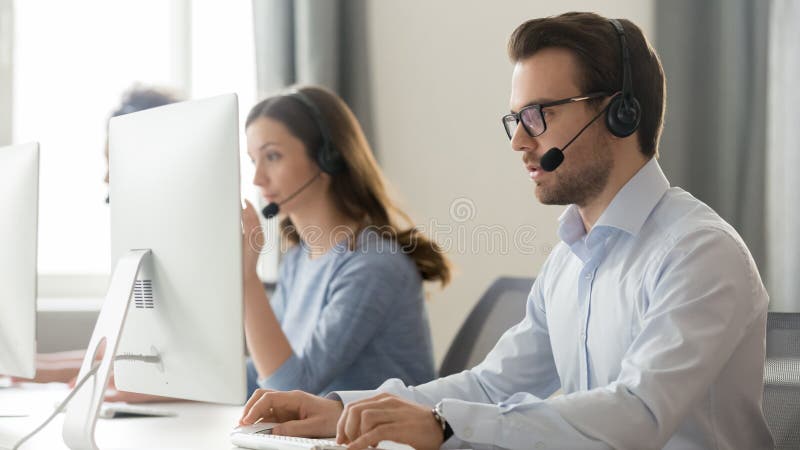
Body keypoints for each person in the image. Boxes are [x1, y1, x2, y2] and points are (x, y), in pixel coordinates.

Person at [237, 12, 774, 450]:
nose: (519, 141)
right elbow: (493, 383)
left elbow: (638, 413)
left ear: (620, 115)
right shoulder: (570, 259)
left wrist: (448, 426)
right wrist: (343, 409)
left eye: (538, 115)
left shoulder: (700, 252)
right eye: (515, 119)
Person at [241, 85, 449, 397]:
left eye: (272, 156)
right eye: (253, 160)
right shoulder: (300, 259)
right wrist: (159, 390)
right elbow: (262, 371)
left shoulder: (372, 266)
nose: (257, 178)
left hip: (380, 444)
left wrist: (246, 279)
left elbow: (292, 389)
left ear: (328, 158)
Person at [11, 85, 181, 403]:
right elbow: (128, 350)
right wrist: (36, 369)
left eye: (114, 162)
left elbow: (188, 364)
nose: (107, 178)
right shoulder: (146, 240)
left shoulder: (194, 244)